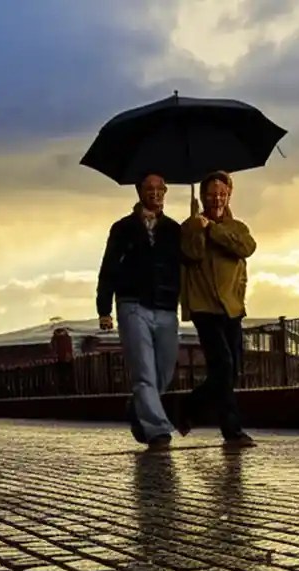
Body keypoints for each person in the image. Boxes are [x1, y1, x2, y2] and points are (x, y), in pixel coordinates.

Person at [95, 173, 183, 451]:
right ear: (139, 191)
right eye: (149, 189)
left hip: (167, 306)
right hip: (133, 304)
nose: (155, 193)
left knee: (164, 371)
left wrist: (197, 229)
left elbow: (188, 264)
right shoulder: (123, 228)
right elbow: (108, 267)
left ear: (166, 192)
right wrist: (104, 308)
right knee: (144, 372)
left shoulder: (175, 229)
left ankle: (138, 406)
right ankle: (159, 432)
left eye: (160, 189)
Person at [174, 170, 257, 447]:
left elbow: (246, 248)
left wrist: (213, 229)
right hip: (204, 307)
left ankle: (186, 409)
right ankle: (232, 431)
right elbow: (191, 255)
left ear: (229, 194)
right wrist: (197, 229)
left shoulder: (237, 228)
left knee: (230, 372)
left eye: (222, 193)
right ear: (202, 196)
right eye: (211, 194)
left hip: (231, 307)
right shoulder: (189, 226)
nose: (217, 198)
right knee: (222, 365)